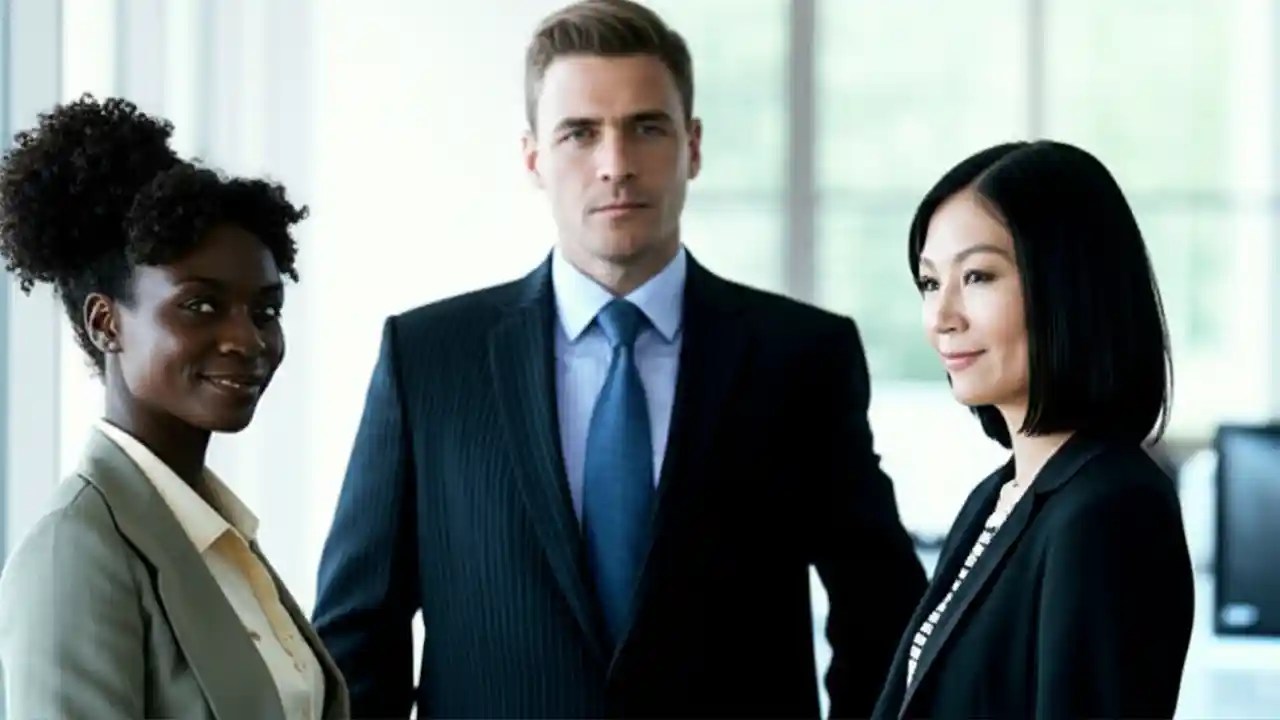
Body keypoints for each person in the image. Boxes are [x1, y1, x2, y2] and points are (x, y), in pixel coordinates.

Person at [311, 0, 925, 717]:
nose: (616, 165)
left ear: (692, 145)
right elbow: (357, 642)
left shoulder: (799, 358)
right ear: (533, 157)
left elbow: (882, 614)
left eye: (646, 128)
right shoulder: (428, 362)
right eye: (580, 133)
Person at [0, 95, 349, 720]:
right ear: (107, 322)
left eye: (265, 310)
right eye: (201, 305)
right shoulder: (76, 551)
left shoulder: (216, 536)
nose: (247, 340)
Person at [872, 140, 1195, 719]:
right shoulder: (996, 497)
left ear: (1067, 288)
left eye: (977, 276)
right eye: (929, 282)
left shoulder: (1109, 510)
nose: (942, 316)